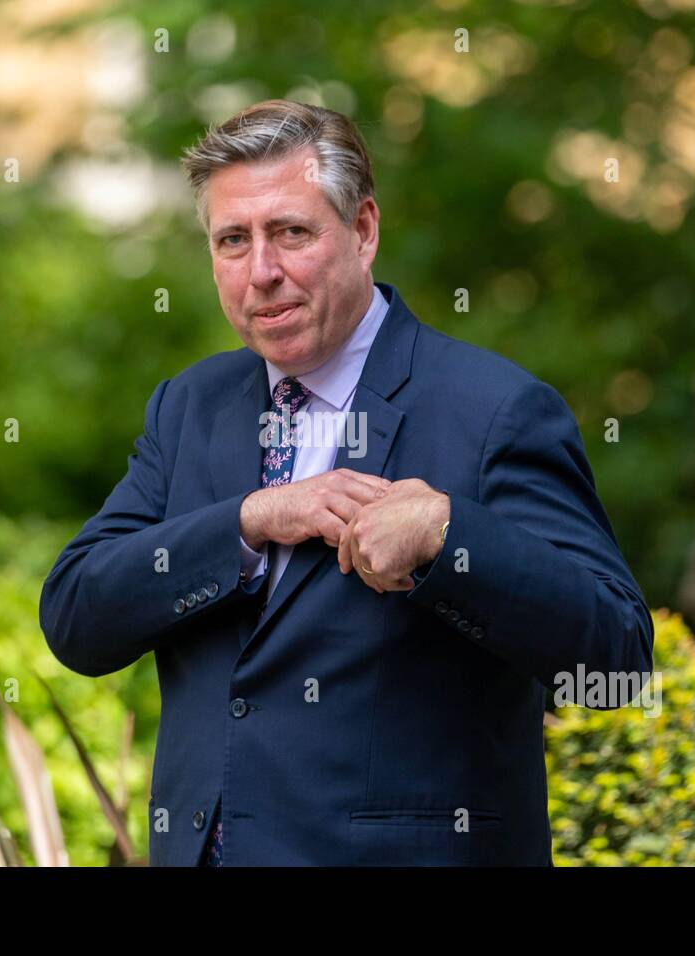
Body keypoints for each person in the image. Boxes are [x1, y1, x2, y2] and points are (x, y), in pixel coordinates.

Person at [39, 99, 653, 866]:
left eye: (291, 232)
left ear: (362, 232)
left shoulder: (494, 408)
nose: (262, 272)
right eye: (233, 240)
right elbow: (75, 618)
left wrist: (448, 540)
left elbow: (616, 665)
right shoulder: (189, 406)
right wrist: (249, 520)